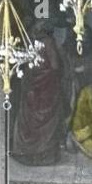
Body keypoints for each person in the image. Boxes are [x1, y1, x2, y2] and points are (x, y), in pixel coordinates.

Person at [11, 25, 70, 166]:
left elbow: (55, 66)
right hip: (35, 89)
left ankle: (41, 156)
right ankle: (31, 154)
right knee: (30, 119)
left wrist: (38, 76)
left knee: (41, 121)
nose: (34, 29)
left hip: (45, 89)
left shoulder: (47, 42)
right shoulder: (38, 41)